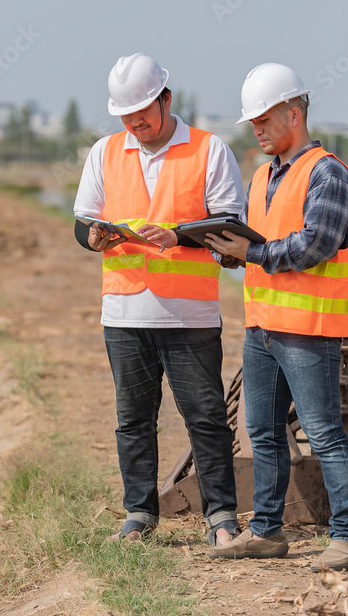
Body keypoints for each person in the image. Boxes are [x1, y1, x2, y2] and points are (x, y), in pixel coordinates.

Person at [73, 52, 244, 545]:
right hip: (124, 312)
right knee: (133, 421)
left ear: (167, 99)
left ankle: (222, 518)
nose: (136, 123)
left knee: (207, 417)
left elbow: (229, 228)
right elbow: (82, 222)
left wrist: (177, 238)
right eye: (127, 116)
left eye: (144, 111)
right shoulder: (104, 152)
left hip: (189, 313)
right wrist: (95, 239)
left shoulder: (210, 150)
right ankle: (139, 515)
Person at [205, 63, 348, 571]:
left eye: (264, 119)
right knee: (266, 434)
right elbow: (265, 242)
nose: (255, 129)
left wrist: (249, 253)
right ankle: (267, 532)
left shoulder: (328, 172)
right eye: (252, 120)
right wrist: (231, 251)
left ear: (293, 114)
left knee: (324, 434)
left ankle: (347, 539)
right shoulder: (260, 175)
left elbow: (315, 245)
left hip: (310, 333)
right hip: (262, 329)